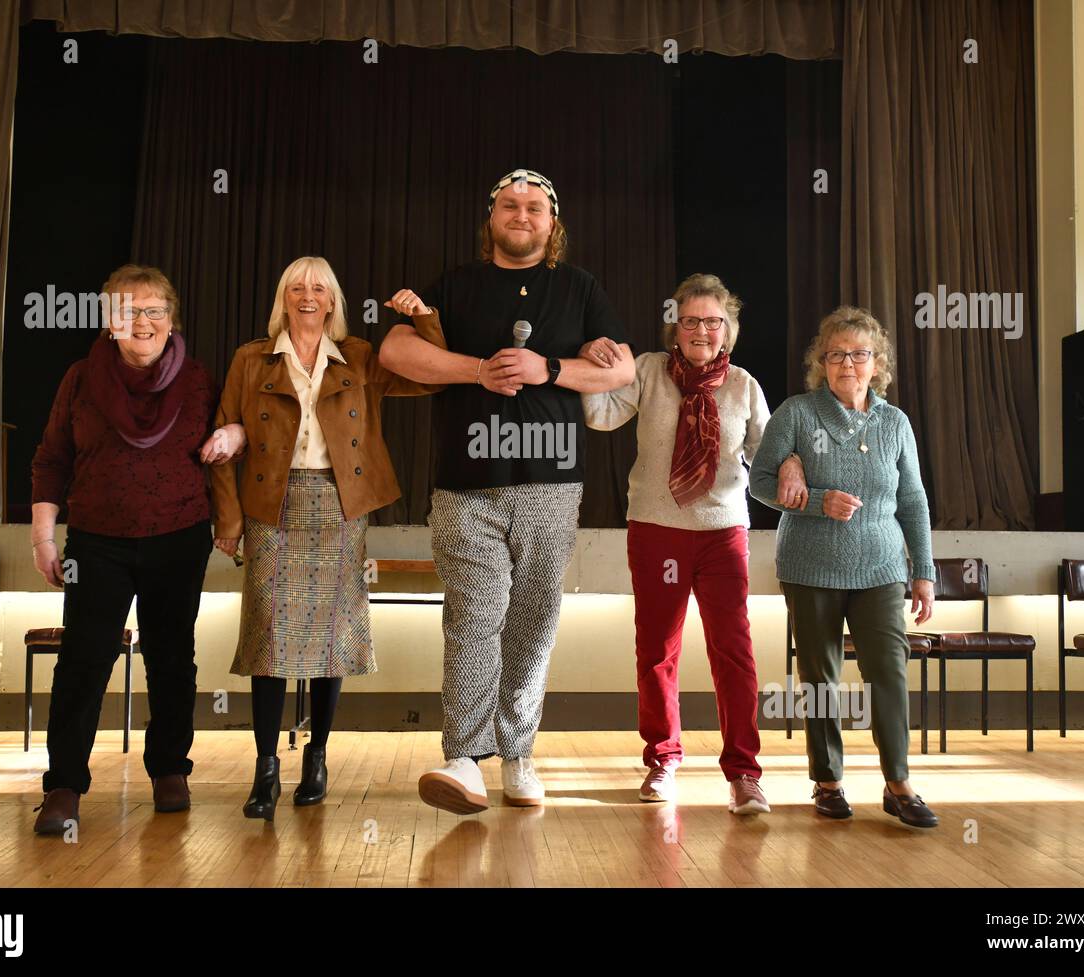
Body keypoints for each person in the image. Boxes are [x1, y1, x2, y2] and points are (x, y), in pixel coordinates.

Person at [378, 168, 634, 814]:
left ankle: (518, 751)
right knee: (474, 615)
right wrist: (478, 370)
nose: (522, 215)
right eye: (510, 205)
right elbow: (393, 353)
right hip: (466, 486)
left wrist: (548, 367)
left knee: (533, 622)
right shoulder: (456, 285)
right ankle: (464, 757)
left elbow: (624, 368)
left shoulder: (579, 290)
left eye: (535, 208)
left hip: (552, 485)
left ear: (553, 224)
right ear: (491, 216)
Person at [210, 256, 446, 822]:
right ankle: (266, 767)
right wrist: (229, 518)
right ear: (282, 297)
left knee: (332, 636)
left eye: (318, 287)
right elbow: (220, 440)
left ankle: (316, 757)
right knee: (269, 639)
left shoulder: (362, 356)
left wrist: (424, 318)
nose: (307, 296)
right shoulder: (251, 358)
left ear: (334, 299)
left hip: (341, 505)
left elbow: (428, 372)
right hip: (271, 503)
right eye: (296, 287)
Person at [582, 273, 807, 814]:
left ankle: (744, 774)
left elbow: (769, 454)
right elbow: (599, 416)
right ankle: (663, 759)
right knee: (658, 649)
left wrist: (794, 460)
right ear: (674, 327)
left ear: (727, 330)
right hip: (657, 529)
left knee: (734, 650)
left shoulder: (744, 386)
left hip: (723, 531)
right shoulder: (648, 373)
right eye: (690, 321)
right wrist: (596, 365)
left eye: (713, 321)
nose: (702, 330)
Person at [30, 263, 243, 835]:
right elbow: (52, 459)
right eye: (128, 310)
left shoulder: (198, 379)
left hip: (179, 537)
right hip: (96, 542)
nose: (142, 321)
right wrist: (44, 536)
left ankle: (170, 770)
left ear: (171, 320)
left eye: (153, 310)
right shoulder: (79, 378)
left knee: (172, 657)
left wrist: (234, 436)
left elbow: (237, 428)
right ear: (108, 322)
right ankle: (64, 786)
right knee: (83, 661)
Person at [749, 306, 939, 828]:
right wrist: (816, 501)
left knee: (888, 673)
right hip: (810, 565)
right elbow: (760, 482)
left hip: (881, 566)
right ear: (822, 363)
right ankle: (827, 780)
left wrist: (923, 571)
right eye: (836, 354)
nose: (848, 363)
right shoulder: (796, 413)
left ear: (877, 363)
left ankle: (898, 782)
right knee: (820, 677)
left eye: (859, 354)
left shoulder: (895, 422)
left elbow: (914, 501)